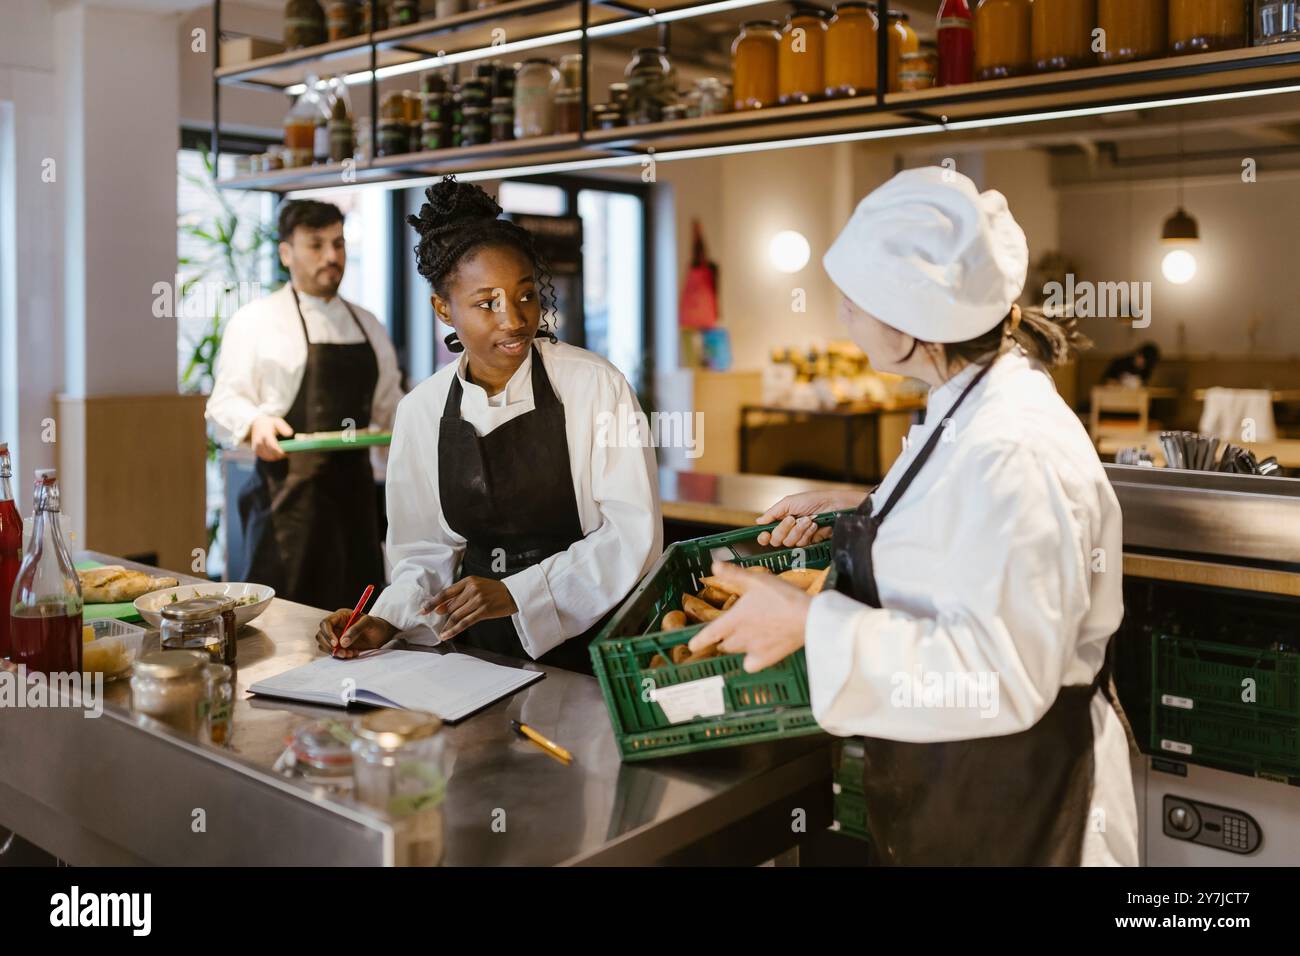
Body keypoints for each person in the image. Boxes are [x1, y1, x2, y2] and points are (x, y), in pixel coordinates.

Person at [689, 167, 1138, 866]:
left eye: (852, 300)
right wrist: (865, 510)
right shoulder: (964, 403)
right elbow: (957, 533)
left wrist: (810, 623)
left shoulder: (1013, 447)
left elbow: (1001, 673)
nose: (840, 316)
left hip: (1021, 796)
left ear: (910, 325)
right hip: (951, 774)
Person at [315, 177, 661, 674]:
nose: (514, 319)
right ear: (443, 309)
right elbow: (423, 551)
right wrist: (387, 618)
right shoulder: (422, 410)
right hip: (476, 647)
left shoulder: (595, 386)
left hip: (592, 637)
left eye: (524, 296)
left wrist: (518, 593)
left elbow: (633, 534)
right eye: (486, 303)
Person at [207, 200, 403, 610]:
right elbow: (224, 402)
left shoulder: (368, 323)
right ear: (285, 253)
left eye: (338, 244)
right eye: (316, 245)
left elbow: (390, 408)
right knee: (282, 631)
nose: (332, 257)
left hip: (356, 508)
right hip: (285, 510)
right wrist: (254, 422)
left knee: (358, 627)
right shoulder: (256, 320)